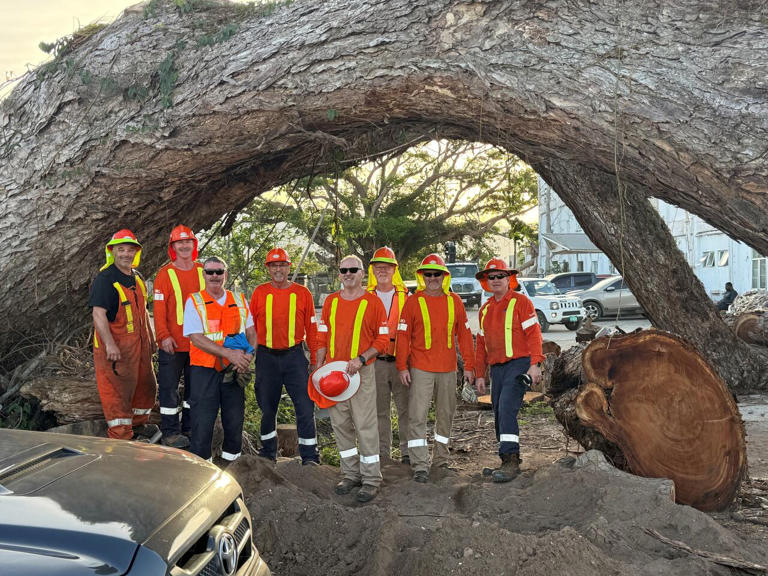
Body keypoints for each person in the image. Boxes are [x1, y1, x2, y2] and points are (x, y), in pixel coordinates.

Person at [316, 255, 389, 503]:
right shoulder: (330, 302)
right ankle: (350, 474)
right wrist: (318, 368)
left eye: (352, 270)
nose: (347, 274)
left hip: (361, 371)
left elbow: (382, 340)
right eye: (343, 270)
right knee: (341, 425)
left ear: (361, 274)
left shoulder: (373, 303)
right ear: (339, 274)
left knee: (366, 425)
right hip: (334, 375)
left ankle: (371, 479)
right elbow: (321, 337)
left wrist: (361, 359)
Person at [396, 253, 475, 483]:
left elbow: (465, 336)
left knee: (445, 416)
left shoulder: (455, 301)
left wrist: (469, 366)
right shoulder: (413, 302)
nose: (432, 278)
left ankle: (440, 461)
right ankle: (420, 464)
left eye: (436, 274)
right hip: (420, 369)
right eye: (428, 274)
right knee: (417, 417)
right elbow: (403, 337)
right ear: (422, 276)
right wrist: (402, 366)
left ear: (444, 276)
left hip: (449, 369)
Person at [474, 258, 544, 482]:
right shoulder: (484, 310)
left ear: (509, 279)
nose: (496, 280)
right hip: (497, 369)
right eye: (491, 277)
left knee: (506, 408)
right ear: (486, 281)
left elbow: (534, 334)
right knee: (497, 412)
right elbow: (481, 346)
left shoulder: (521, 302)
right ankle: (505, 457)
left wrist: (535, 364)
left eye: (500, 276)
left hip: (519, 365)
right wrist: (479, 374)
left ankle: (511, 461)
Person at [249, 247, 320, 465]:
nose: (278, 269)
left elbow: (312, 328)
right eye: (274, 265)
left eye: (282, 265)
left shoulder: (302, 293)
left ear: (289, 267)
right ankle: (268, 453)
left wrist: (315, 360)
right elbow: (249, 327)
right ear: (268, 269)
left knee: (305, 406)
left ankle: (310, 456)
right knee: (267, 407)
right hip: (266, 357)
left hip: (294, 356)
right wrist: (247, 355)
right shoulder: (259, 293)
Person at [183, 257, 256, 463]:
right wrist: (229, 354)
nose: (215, 276)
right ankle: (202, 468)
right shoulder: (195, 301)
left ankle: (231, 464)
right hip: (204, 370)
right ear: (204, 274)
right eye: (210, 272)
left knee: (234, 420)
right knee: (202, 422)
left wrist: (247, 356)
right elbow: (196, 338)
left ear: (226, 274)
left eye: (219, 271)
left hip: (234, 370)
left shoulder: (240, 300)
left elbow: (252, 332)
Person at [89, 229, 158, 441]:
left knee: (146, 387)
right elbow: (98, 314)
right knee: (117, 395)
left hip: (139, 349)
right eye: (121, 250)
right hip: (115, 350)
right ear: (113, 252)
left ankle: (138, 428)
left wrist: (152, 339)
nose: (126, 254)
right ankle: (121, 439)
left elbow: (143, 311)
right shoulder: (105, 279)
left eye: (130, 250)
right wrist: (110, 345)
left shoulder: (137, 278)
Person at [152, 225, 205, 448]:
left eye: (188, 242)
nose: (184, 246)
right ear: (172, 247)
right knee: (168, 390)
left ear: (194, 245)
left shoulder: (205, 271)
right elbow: (159, 309)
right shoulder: (165, 274)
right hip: (171, 344)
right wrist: (163, 336)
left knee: (196, 391)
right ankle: (170, 432)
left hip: (200, 345)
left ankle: (190, 429)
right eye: (179, 243)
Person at [366, 246, 411, 463]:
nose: (382, 271)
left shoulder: (407, 296)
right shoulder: (365, 297)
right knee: (379, 411)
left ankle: (407, 454)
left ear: (395, 270)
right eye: (378, 267)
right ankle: (383, 454)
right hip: (375, 363)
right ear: (372, 271)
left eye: (386, 267)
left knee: (405, 410)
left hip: (401, 363)